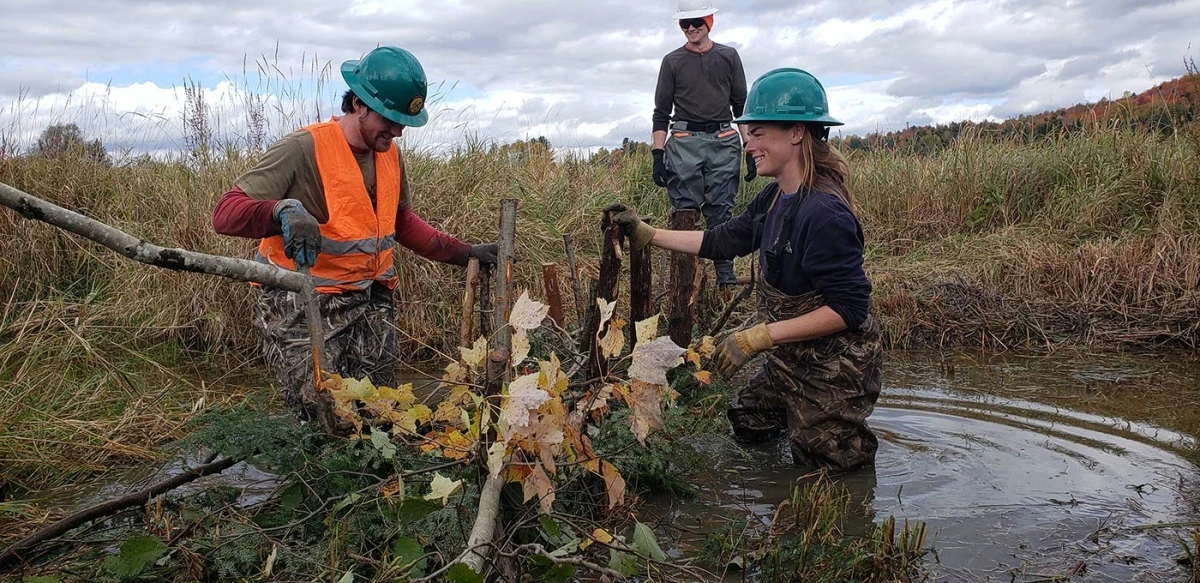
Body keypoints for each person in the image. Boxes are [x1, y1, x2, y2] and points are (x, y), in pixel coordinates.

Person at [608, 68, 883, 472]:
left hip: (833, 368)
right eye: (747, 133)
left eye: (757, 133)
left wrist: (759, 337)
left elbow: (849, 309)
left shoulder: (824, 213)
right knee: (750, 419)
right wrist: (648, 234)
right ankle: (773, 493)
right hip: (791, 358)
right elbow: (720, 241)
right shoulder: (775, 198)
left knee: (830, 467)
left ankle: (843, 516)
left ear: (795, 133)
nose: (747, 143)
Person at [212, 46, 497, 421]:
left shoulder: (389, 153)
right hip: (304, 303)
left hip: (371, 299)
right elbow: (225, 214)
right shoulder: (303, 148)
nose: (397, 131)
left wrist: (463, 253)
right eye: (389, 119)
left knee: (379, 413)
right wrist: (280, 209)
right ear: (359, 104)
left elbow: (401, 222)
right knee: (321, 416)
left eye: (402, 123)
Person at [651, 0, 751, 285]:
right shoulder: (672, 61)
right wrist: (658, 154)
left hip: (723, 138)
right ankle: (685, 280)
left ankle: (724, 274)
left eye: (697, 22)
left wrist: (749, 148)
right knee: (684, 210)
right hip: (684, 141)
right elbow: (661, 112)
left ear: (709, 22)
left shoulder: (729, 56)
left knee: (721, 210)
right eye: (685, 23)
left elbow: (740, 107)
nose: (691, 28)